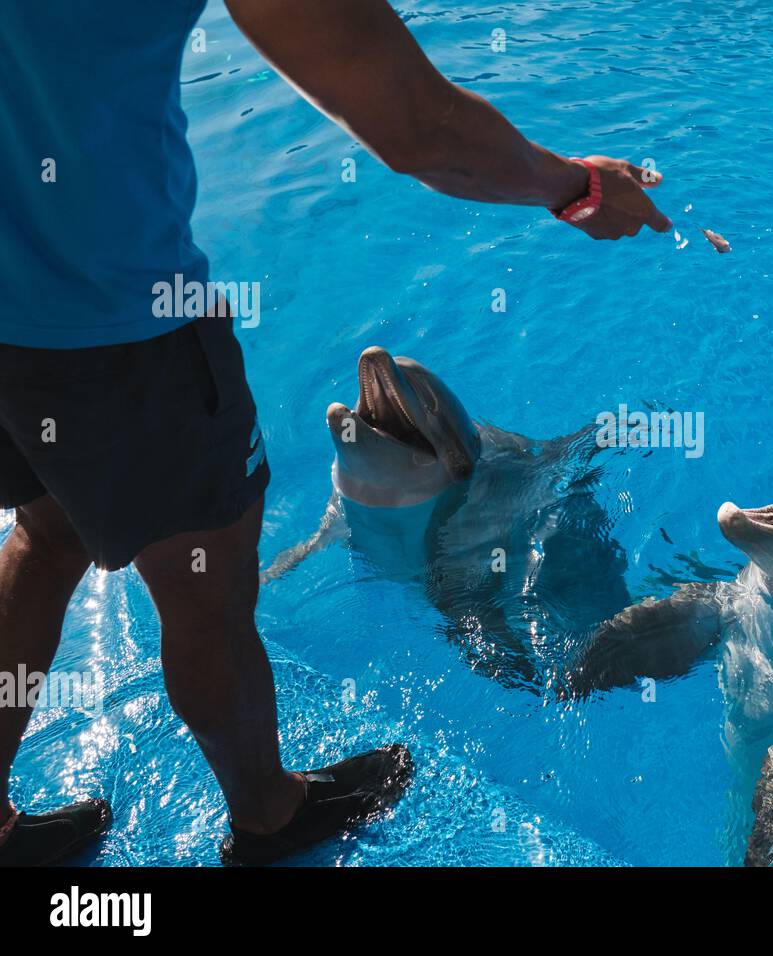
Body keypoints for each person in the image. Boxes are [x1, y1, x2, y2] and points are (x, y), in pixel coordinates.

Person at [0, 0, 671, 866]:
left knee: (47, 532)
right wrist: (573, 186)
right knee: (205, 591)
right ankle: (270, 817)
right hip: (110, 323)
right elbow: (418, 125)